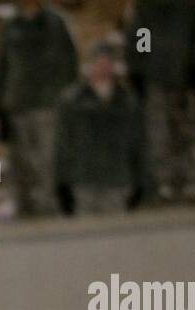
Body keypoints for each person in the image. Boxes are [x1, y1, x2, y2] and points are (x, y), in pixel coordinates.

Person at [0, 0, 79, 217]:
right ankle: (26, 211)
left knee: (46, 161)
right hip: (16, 104)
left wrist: (66, 100)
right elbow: (2, 69)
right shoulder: (10, 25)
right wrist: (0, 109)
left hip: (47, 104)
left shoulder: (56, 23)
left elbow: (71, 65)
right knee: (21, 163)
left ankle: (47, 211)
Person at [54, 41, 150, 216]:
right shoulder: (71, 101)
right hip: (83, 180)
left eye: (108, 63)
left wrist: (141, 181)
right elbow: (63, 144)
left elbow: (138, 144)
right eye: (99, 63)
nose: (103, 68)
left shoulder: (128, 101)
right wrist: (61, 183)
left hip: (117, 180)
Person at [125, 0, 195, 202]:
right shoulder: (146, 7)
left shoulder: (194, 6)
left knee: (185, 132)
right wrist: (140, 69)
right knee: (158, 134)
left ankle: (184, 182)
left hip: (186, 77)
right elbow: (141, 35)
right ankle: (163, 184)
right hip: (156, 78)